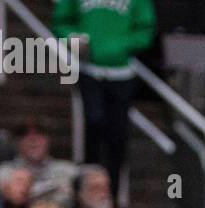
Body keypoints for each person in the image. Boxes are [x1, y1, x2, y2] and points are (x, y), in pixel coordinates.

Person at [51, 0, 156, 188]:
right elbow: (61, 22)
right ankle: (89, 188)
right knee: (94, 123)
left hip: (122, 72)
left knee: (118, 137)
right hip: (89, 69)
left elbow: (145, 31)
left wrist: (118, 46)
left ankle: (112, 195)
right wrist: (74, 38)